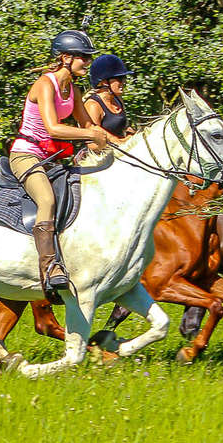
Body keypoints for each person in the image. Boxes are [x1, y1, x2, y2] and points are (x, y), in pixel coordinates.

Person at [9, 30, 113, 300]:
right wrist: (91, 135)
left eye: (88, 59)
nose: (88, 63)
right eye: (83, 58)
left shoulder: (75, 90)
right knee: (46, 200)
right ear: (66, 58)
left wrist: (117, 146)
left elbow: (89, 127)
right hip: (26, 155)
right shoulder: (45, 84)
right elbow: (54, 128)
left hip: (53, 159)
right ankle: (50, 268)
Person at [83, 54, 135, 142]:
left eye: (124, 78)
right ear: (104, 82)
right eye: (120, 78)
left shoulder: (118, 99)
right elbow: (91, 144)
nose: (124, 82)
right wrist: (120, 142)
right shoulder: (93, 105)